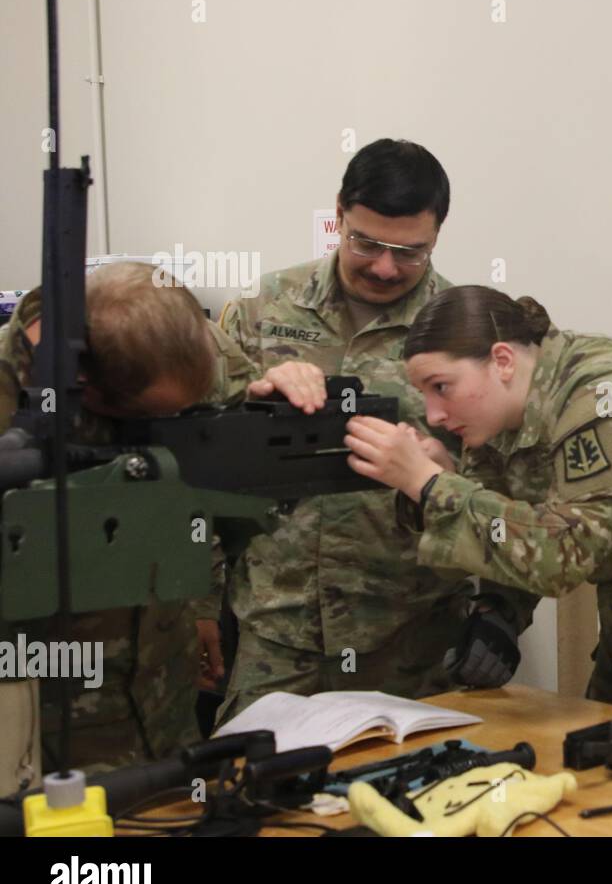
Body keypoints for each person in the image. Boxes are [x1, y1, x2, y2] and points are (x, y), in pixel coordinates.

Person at [343, 285, 612, 713]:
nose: (434, 414)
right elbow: (511, 521)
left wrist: (432, 484)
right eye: (424, 394)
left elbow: (564, 554)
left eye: (441, 387)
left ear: (502, 361)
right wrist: (499, 611)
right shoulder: (500, 411)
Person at [207, 139, 483, 725]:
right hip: (277, 630)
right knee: (255, 802)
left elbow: (515, 486)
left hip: (411, 636)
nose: (385, 267)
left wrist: (505, 615)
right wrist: (195, 609)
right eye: (367, 243)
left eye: (410, 253)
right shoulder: (260, 312)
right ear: (338, 215)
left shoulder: (470, 335)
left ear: (439, 236)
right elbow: (200, 466)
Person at [0, 261, 253, 792]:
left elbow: (208, 472)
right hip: (58, 719)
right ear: (89, 391)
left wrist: (202, 601)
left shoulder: (179, 337)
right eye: (153, 417)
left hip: (167, 694)